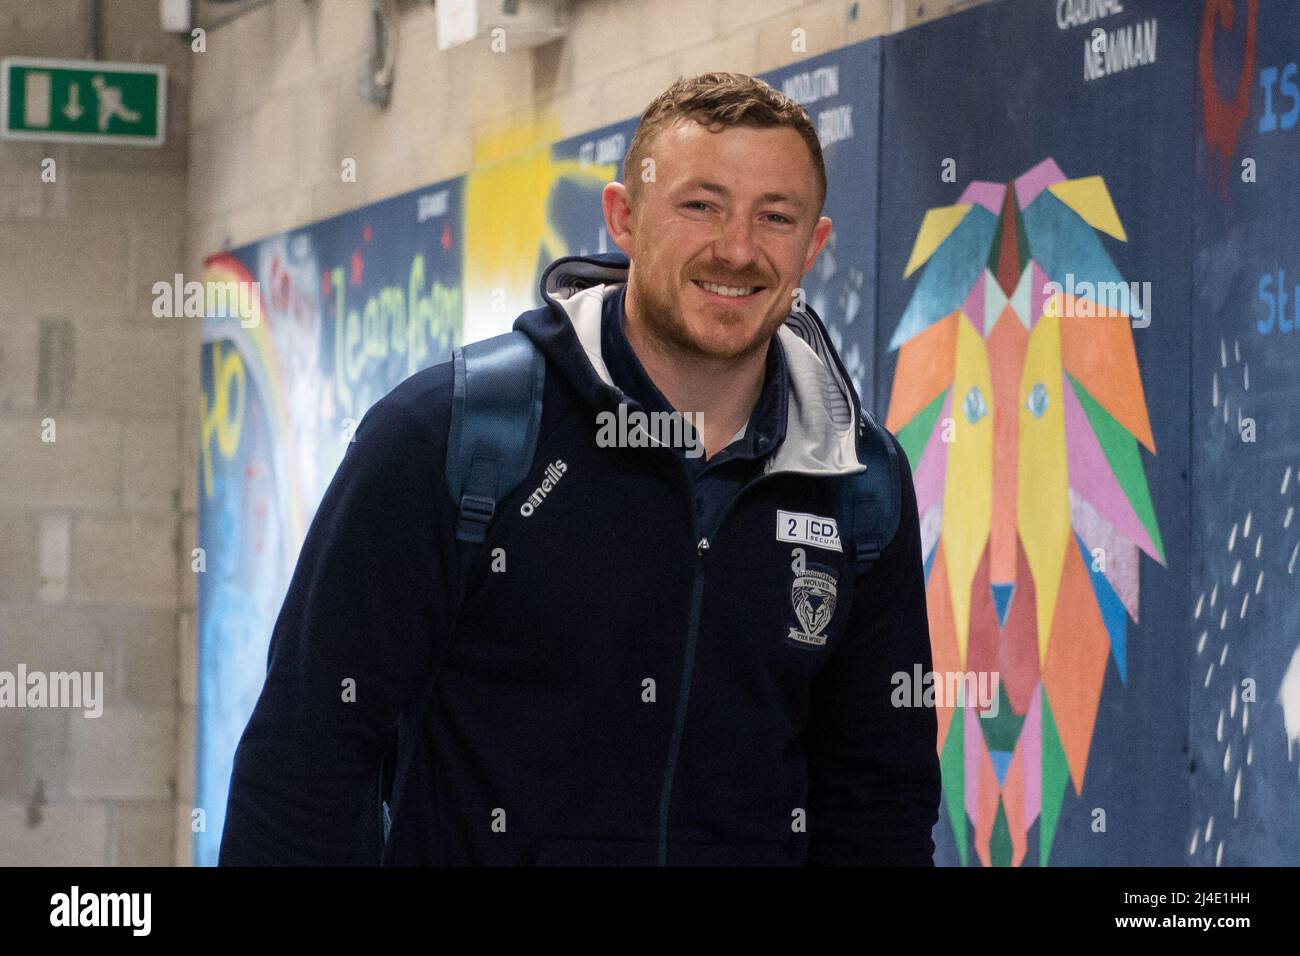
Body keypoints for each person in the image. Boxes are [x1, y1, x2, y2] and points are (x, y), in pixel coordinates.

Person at [219, 71, 940, 866]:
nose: (737, 248)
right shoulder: (452, 437)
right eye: (700, 205)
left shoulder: (857, 480)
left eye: (776, 217)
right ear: (623, 218)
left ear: (814, 245)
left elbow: (879, 797)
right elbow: (307, 756)